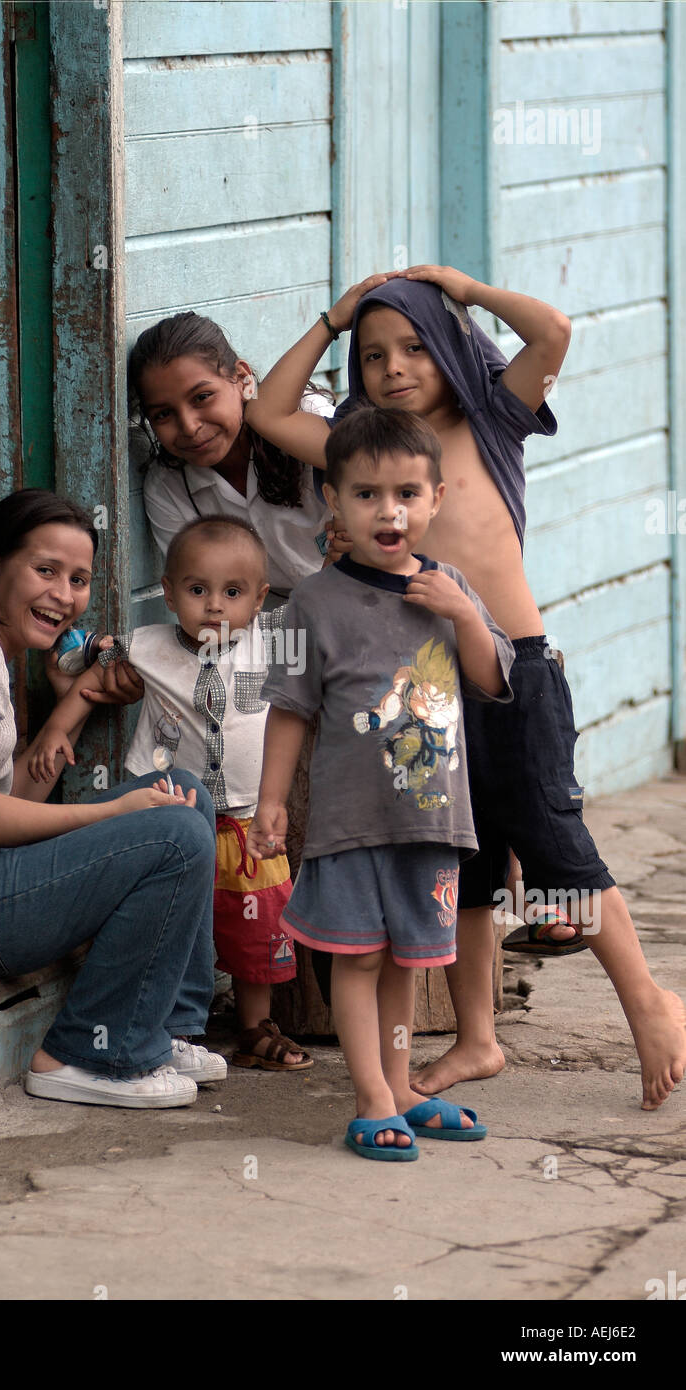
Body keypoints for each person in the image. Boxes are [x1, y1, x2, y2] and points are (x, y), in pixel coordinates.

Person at [246, 265, 686, 1111]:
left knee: (555, 849)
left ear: (449, 348)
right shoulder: (360, 447)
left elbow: (553, 331)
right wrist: (333, 318)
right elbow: (267, 413)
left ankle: (647, 1000)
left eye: (413, 346)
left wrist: (468, 292)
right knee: (469, 864)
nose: (393, 367)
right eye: (372, 356)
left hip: (510, 666)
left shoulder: (489, 416)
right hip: (427, 694)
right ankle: (479, 1040)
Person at [248, 407, 514, 1157]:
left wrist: (462, 612)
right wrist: (270, 801)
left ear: (433, 501)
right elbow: (290, 710)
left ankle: (399, 1089)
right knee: (357, 959)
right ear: (333, 499)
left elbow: (493, 678)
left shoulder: (448, 587)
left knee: (407, 960)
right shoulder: (312, 601)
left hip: (429, 822)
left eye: (405, 494)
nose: (386, 510)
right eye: (365, 494)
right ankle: (369, 1098)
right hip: (349, 822)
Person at [0, 488, 226, 1109]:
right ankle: (85, 1053)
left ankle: (159, 1027)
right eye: (45, 570)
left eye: (78, 579)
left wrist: (66, 707)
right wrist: (110, 812)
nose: (65, 595)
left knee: (183, 794)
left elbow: (14, 797)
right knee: (174, 830)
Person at [27, 514, 313, 1071]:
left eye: (232, 593)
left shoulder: (274, 641)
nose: (214, 606)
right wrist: (58, 727)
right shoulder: (146, 646)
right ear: (168, 593)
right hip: (169, 808)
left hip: (250, 815)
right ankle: (181, 1028)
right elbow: (83, 672)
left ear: (259, 599)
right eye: (197, 590)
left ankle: (255, 1026)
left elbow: (327, 628)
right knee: (183, 920)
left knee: (258, 927)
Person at [128, 311, 341, 603]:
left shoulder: (306, 420)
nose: (189, 426)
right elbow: (209, 609)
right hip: (273, 638)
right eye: (163, 414)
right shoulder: (168, 489)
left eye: (202, 397)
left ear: (242, 379)